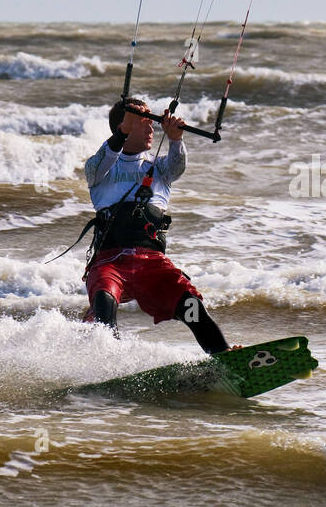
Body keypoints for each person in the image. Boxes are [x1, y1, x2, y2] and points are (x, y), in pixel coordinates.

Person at [81, 97, 235, 353]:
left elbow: (178, 165)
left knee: (191, 304)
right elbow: (100, 162)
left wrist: (176, 139)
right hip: (109, 262)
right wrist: (122, 132)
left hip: (151, 262)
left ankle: (223, 354)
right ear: (125, 126)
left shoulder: (160, 167)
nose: (152, 127)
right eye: (146, 122)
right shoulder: (99, 170)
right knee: (103, 300)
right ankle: (111, 360)